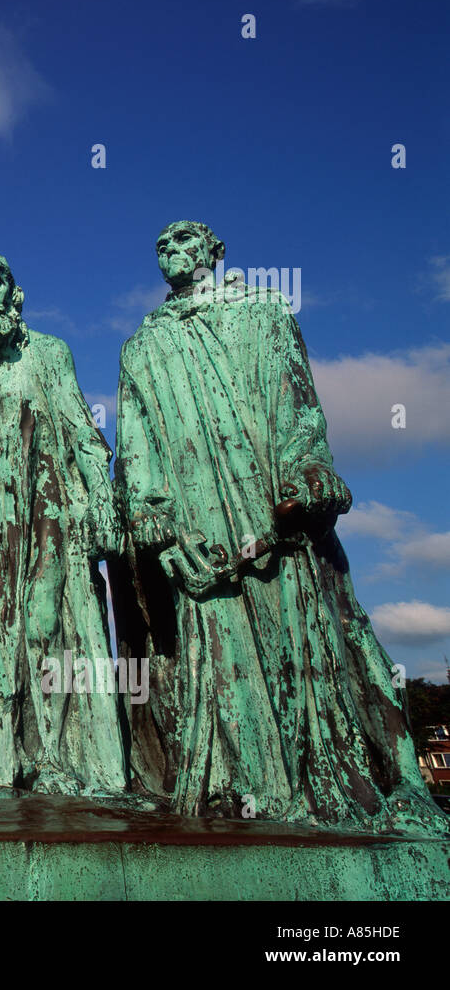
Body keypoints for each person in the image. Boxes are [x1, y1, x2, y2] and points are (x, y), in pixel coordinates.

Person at [114, 220, 445, 833]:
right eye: (162, 246)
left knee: (296, 643)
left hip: (267, 511)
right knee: (216, 653)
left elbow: (299, 405)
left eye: (186, 241)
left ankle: (312, 782)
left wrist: (306, 470)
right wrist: (152, 516)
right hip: (198, 524)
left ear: (215, 251)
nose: (173, 253)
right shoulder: (142, 347)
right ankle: (241, 793)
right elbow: (136, 446)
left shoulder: (264, 311)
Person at [0, 249, 129, 795]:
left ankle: (58, 759)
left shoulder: (47, 354)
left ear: (15, 294)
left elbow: (84, 433)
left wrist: (102, 504)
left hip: (48, 516)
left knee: (47, 627)